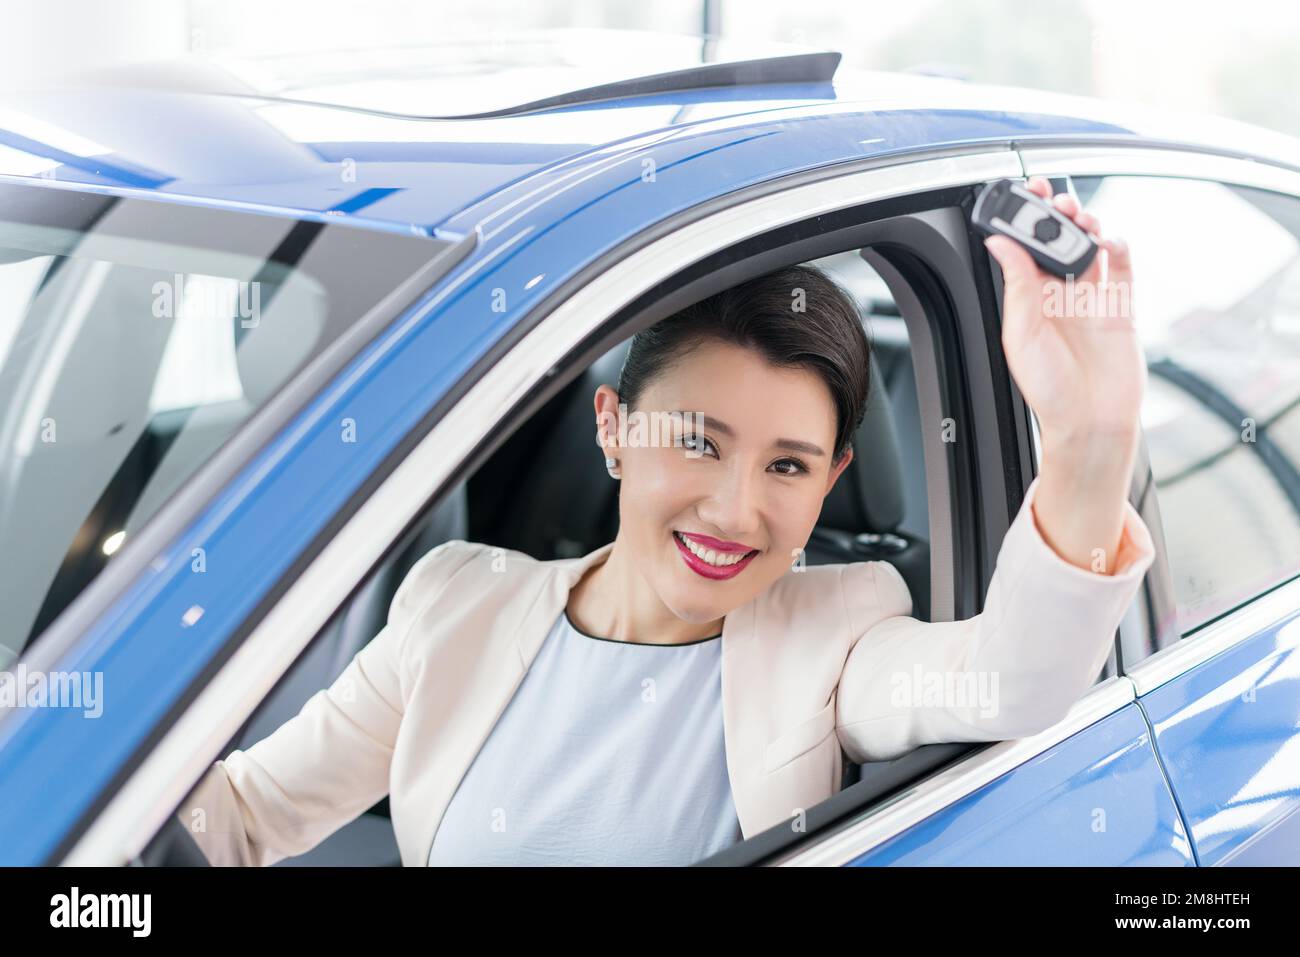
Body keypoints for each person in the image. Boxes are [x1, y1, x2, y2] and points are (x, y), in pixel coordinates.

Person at [178, 177, 1155, 865]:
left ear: (831, 482)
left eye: (787, 466)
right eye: (698, 442)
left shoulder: (839, 631)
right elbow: (245, 816)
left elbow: (1018, 682)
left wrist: (1092, 433)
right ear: (615, 428)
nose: (735, 509)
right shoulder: (456, 606)